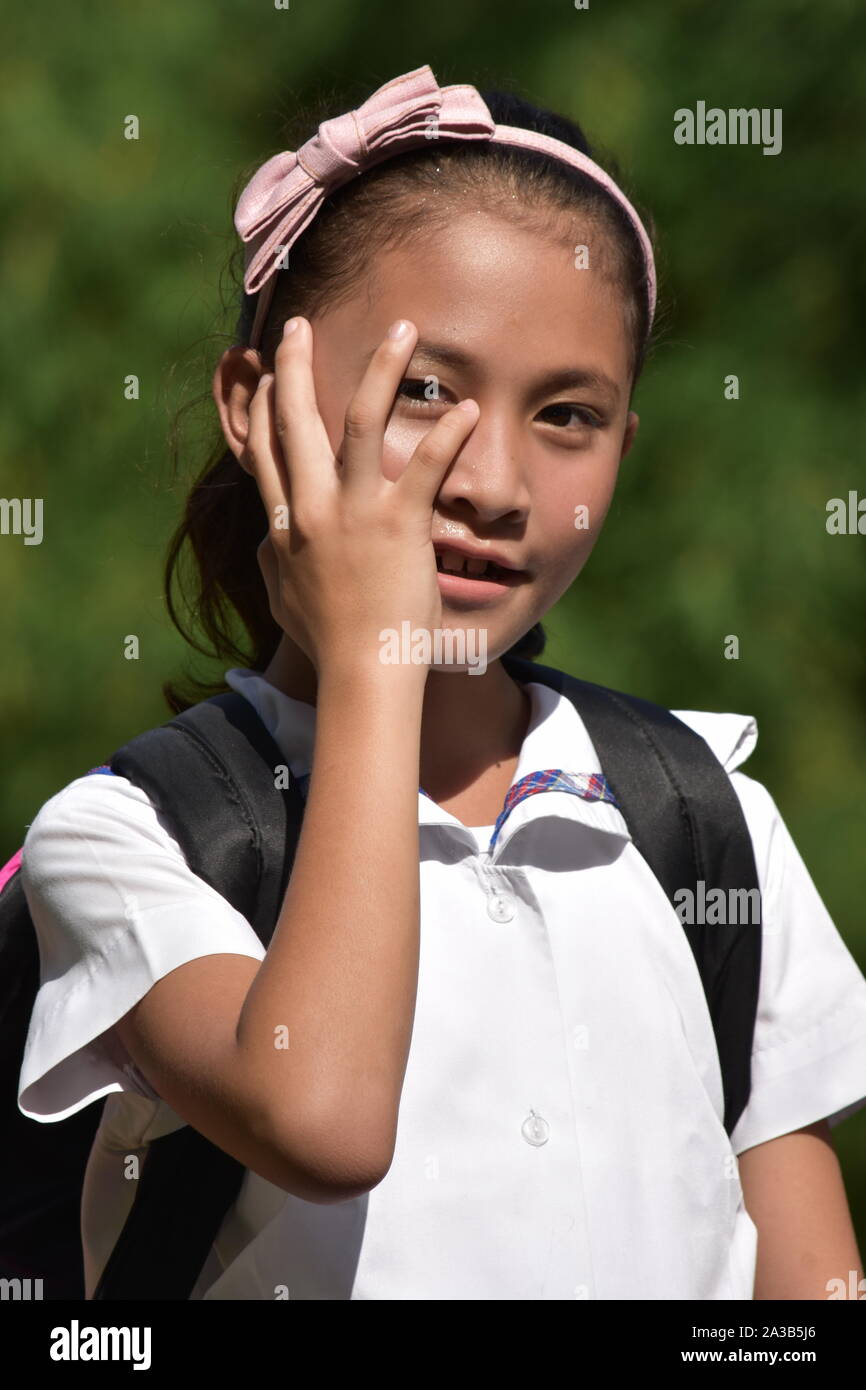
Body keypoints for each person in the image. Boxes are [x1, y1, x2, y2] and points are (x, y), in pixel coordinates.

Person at [17, 64, 866, 1300]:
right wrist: (372, 661)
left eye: (568, 416)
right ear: (259, 410)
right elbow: (325, 1122)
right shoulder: (134, 841)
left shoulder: (706, 820)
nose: (493, 484)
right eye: (425, 391)